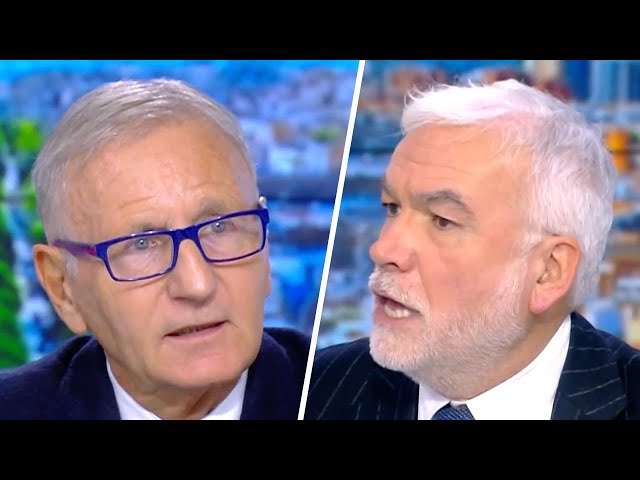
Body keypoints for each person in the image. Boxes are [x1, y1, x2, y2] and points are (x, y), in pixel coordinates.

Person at [304, 79, 640, 420]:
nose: (383, 249)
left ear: (548, 272)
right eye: (392, 207)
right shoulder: (317, 389)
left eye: (442, 221)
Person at [0, 78, 311, 420]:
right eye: (141, 244)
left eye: (220, 227)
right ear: (63, 289)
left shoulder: (338, 393)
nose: (197, 284)